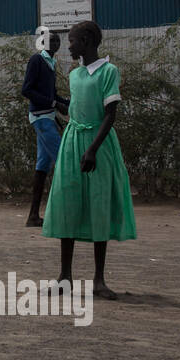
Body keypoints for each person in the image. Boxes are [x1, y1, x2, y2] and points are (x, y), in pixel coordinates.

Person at [41, 21, 136, 300]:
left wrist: (93, 149)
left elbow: (110, 115)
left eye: (72, 40)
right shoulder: (75, 74)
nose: (68, 45)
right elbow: (75, 108)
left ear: (86, 40)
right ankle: (64, 277)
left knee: (98, 205)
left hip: (99, 145)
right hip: (72, 142)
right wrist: (55, 106)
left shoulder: (108, 71)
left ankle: (99, 280)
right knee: (67, 204)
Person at [21, 32, 70, 227]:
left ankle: (33, 215)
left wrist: (67, 102)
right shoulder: (37, 60)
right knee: (64, 161)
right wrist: (53, 103)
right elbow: (27, 90)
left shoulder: (50, 62)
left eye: (58, 40)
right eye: (52, 40)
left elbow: (52, 93)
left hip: (47, 117)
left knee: (42, 167)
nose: (56, 43)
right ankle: (63, 213)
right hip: (41, 118)